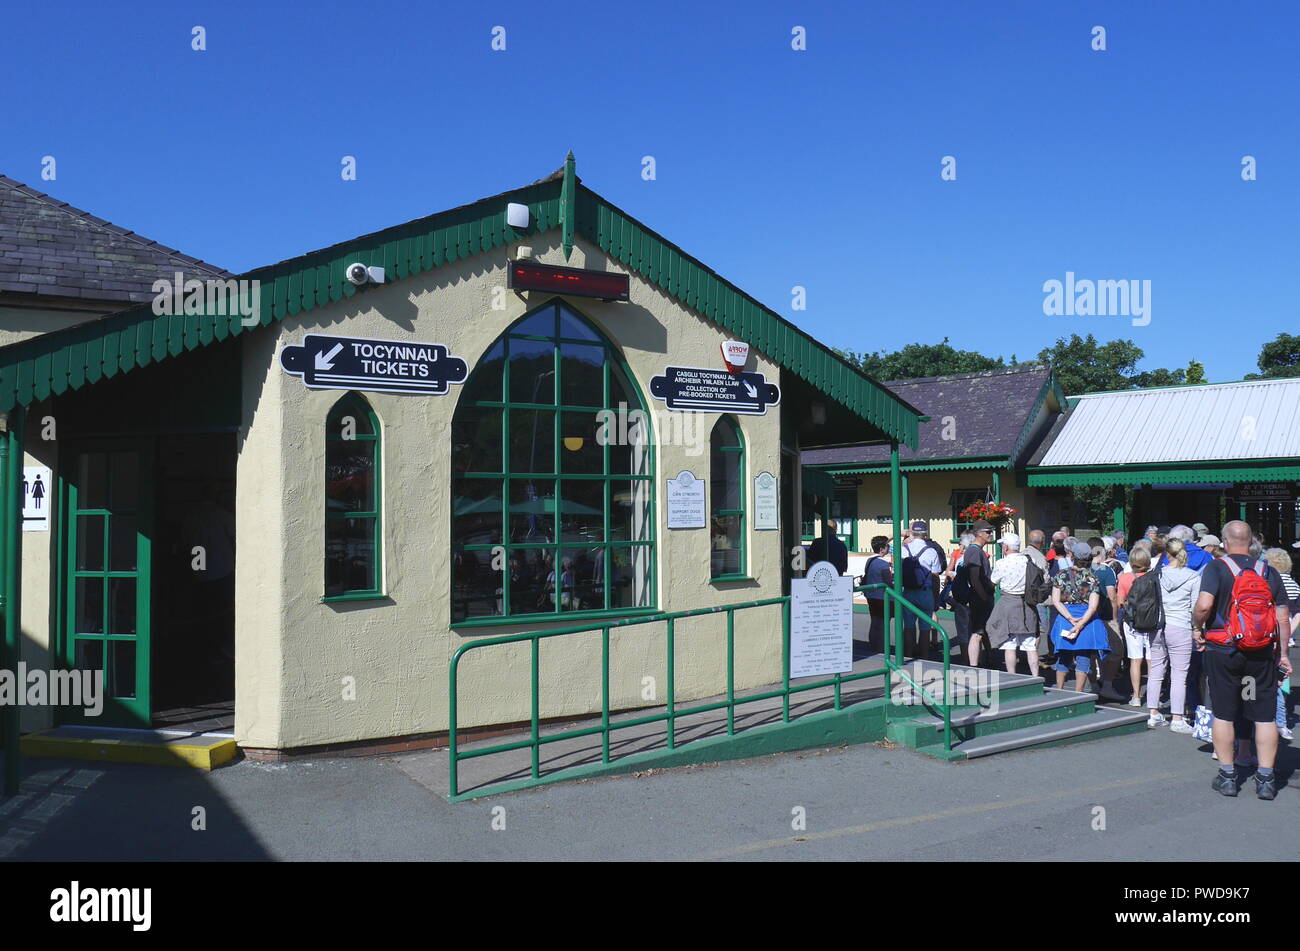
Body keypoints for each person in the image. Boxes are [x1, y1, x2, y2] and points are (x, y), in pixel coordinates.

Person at [1193, 520, 1292, 800]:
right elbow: (1282, 617)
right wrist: (1282, 654)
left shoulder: (1216, 568)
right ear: (1250, 542)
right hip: (1259, 654)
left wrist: (1197, 627)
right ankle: (1265, 779)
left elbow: (1203, 605)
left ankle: (1227, 777)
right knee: (1263, 715)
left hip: (1224, 651)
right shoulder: (1268, 571)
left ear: (1224, 542)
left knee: (1224, 713)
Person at [1152, 539, 1200, 732]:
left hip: (1156, 625)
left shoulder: (1157, 574)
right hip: (1180, 625)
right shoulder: (1193, 576)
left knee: (1156, 671)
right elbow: (1196, 606)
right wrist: (1197, 629)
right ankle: (1177, 718)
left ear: (1166, 553)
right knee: (1179, 674)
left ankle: (1153, 714)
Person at [1048, 542, 1110, 691]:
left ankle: (1060, 691)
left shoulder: (1060, 575)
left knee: (1063, 657)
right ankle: (1078, 694)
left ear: (1072, 556)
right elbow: (1093, 606)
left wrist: (1070, 618)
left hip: (1065, 618)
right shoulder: (1092, 578)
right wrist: (1080, 624)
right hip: (1086, 620)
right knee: (1084, 657)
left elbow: (1056, 601)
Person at [987, 533, 1041, 676]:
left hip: (1008, 604)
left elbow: (993, 582)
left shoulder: (1001, 563)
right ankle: (1036, 676)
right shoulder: (1029, 560)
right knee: (1030, 645)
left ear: (1005, 547)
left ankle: (1012, 675)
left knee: (1009, 644)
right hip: (1027, 604)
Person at [1262, 547, 1299, 739]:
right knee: (1282, 682)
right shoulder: (1293, 585)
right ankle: (1282, 723)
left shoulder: (1266, 580)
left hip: (1268, 636)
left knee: (1264, 681)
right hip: (1286, 638)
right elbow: (1296, 614)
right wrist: (1288, 633)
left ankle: (1266, 720)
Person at [899, 520, 943, 660]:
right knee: (925, 628)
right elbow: (935, 577)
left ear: (911, 532)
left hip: (908, 592)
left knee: (909, 626)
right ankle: (924, 657)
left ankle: (908, 655)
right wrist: (936, 597)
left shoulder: (904, 549)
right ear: (926, 534)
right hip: (925, 592)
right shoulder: (931, 551)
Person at [1116, 545, 1154, 708]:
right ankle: (1153, 696)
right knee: (1152, 661)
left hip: (1132, 623)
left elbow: (1119, 602)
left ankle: (1136, 696)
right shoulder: (1154, 577)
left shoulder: (1124, 578)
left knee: (1135, 660)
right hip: (1152, 621)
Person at [962, 520, 996, 667]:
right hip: (979, 597)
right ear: (979, 534)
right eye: (988, 532)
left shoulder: (976, 550)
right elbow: (974, 579)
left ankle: (988, 658)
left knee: (983, 630)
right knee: (977, 633)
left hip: (982, 596)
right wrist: (983, 598)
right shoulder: (974, 551)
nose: (990, 534)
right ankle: (974, 666)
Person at [857, 535, 893, 655]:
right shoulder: (883, 564)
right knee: (882, 624)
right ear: (882, 549)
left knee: (874, 622)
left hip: (871, 596)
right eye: (887, 546)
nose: (889, 548)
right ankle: (881, 648)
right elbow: (888, 582)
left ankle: (873, 646)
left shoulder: (869, 560)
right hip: (882, 597)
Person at [1024, 530, 1053, 648]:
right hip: (1036, 597)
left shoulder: (1022, 554)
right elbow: (1046, 579)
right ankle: (1033, 655)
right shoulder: (1040, 558)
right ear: (1042, 541)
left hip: (1023, 595)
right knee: (1039, 628)